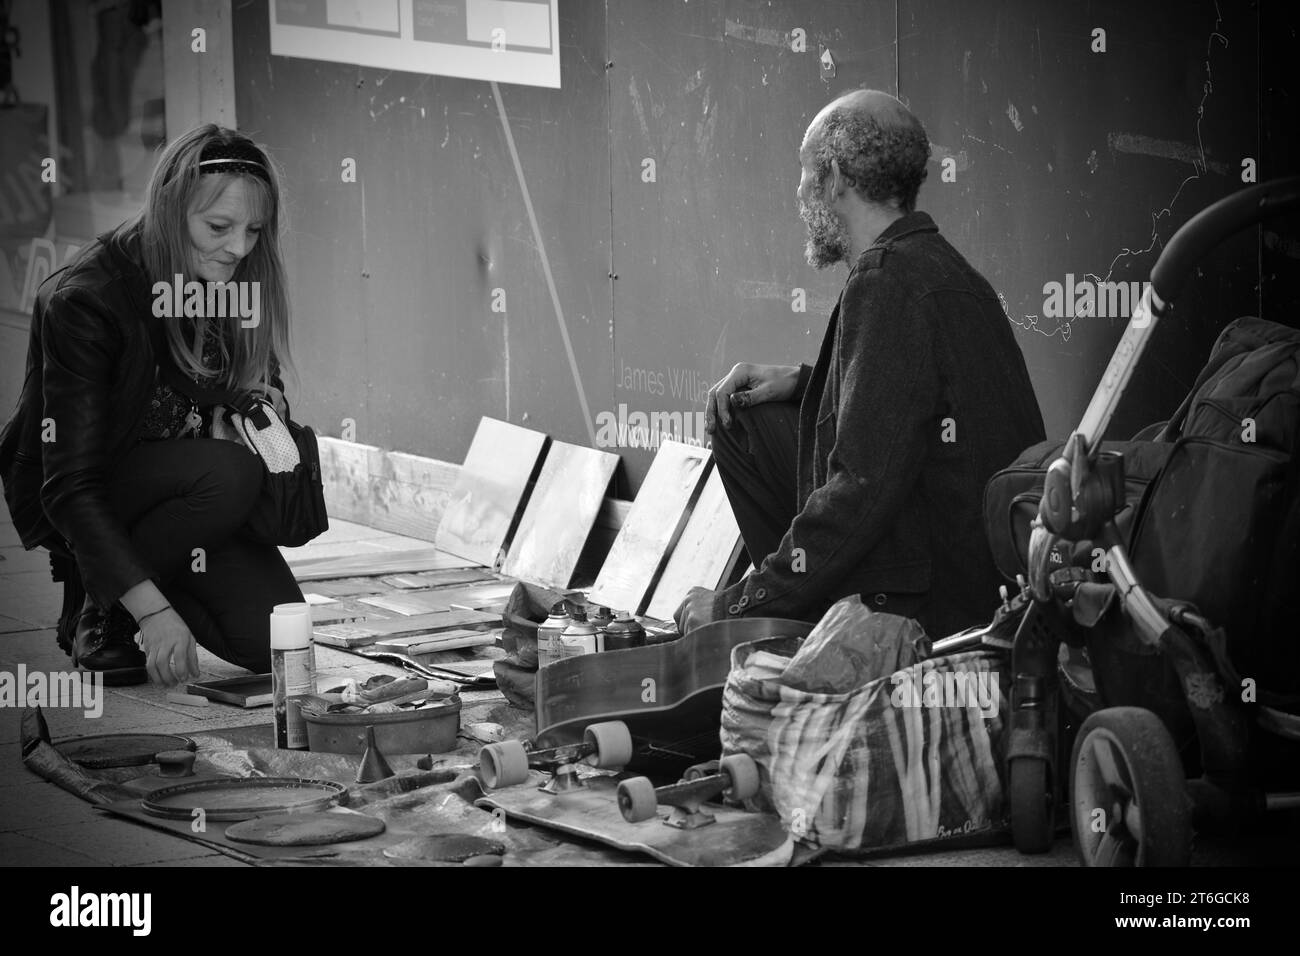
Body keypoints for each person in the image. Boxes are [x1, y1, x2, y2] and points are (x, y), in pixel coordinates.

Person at [674, 90, 1045, 639]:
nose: (798, 191)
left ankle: (792, 623)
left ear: (837, 177)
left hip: (929, 613)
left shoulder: (885, 279)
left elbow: (861, 489)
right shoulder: (943, 269)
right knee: (746, 419)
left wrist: (739, 606)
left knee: (748, 434)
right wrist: (806, 384)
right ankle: (796, 608)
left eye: (805, 173)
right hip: (979, 580)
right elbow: (910, 405)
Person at [0, 124, 304, 686]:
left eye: (254, 229)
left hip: (191, 498)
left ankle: (148, 568)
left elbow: (261, 405)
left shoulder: (232, 280)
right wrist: (155, 615)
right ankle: (104, 600)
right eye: (219, 227)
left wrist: (266, 417)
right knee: (226, 471)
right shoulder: (86, 299)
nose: (239, 247)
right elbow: (67, 484)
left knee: (275, 644)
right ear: (170, 209)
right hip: (87, 493)